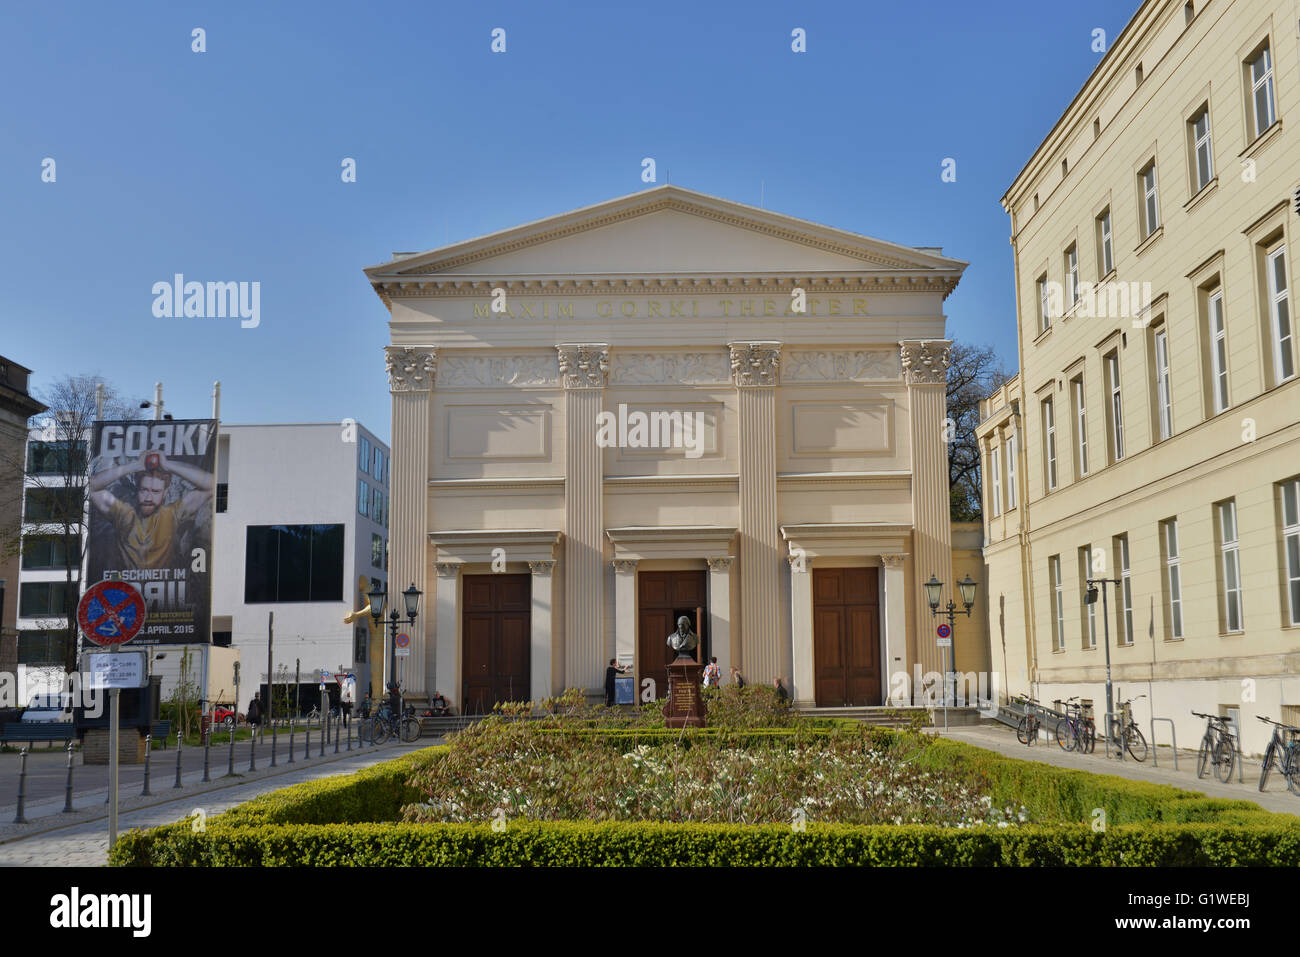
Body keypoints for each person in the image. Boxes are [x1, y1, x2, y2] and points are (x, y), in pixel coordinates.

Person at [89, 451, 214, 570]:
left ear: (165, 493)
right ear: (137, 488)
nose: (149, 498)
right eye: (144, 490)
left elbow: (212, 485)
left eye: (155, 491)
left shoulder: (172, 513)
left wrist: (168, 465)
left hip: (165, 590)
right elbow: (91, 486)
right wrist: (135, 465)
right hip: (125, 590)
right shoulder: (123, 513)